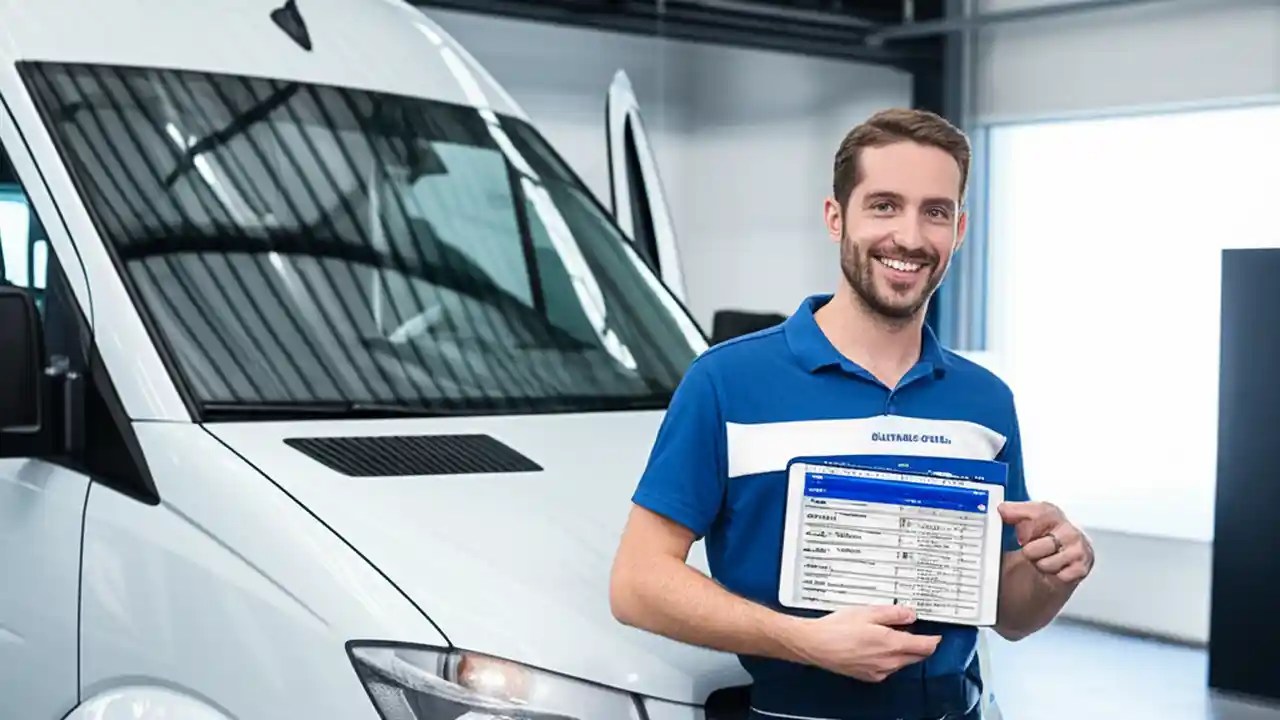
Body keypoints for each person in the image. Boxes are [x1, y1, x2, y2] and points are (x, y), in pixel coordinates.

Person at [609, 107, 1095, 720]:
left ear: (960, 229)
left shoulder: (985, 403)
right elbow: (637, 582)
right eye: (885, 205)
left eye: (935, 212)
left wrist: (1052, 575)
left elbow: (1008, 613)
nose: (911, 238)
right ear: (836, 218)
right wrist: (804, 642)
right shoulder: (727, 382)